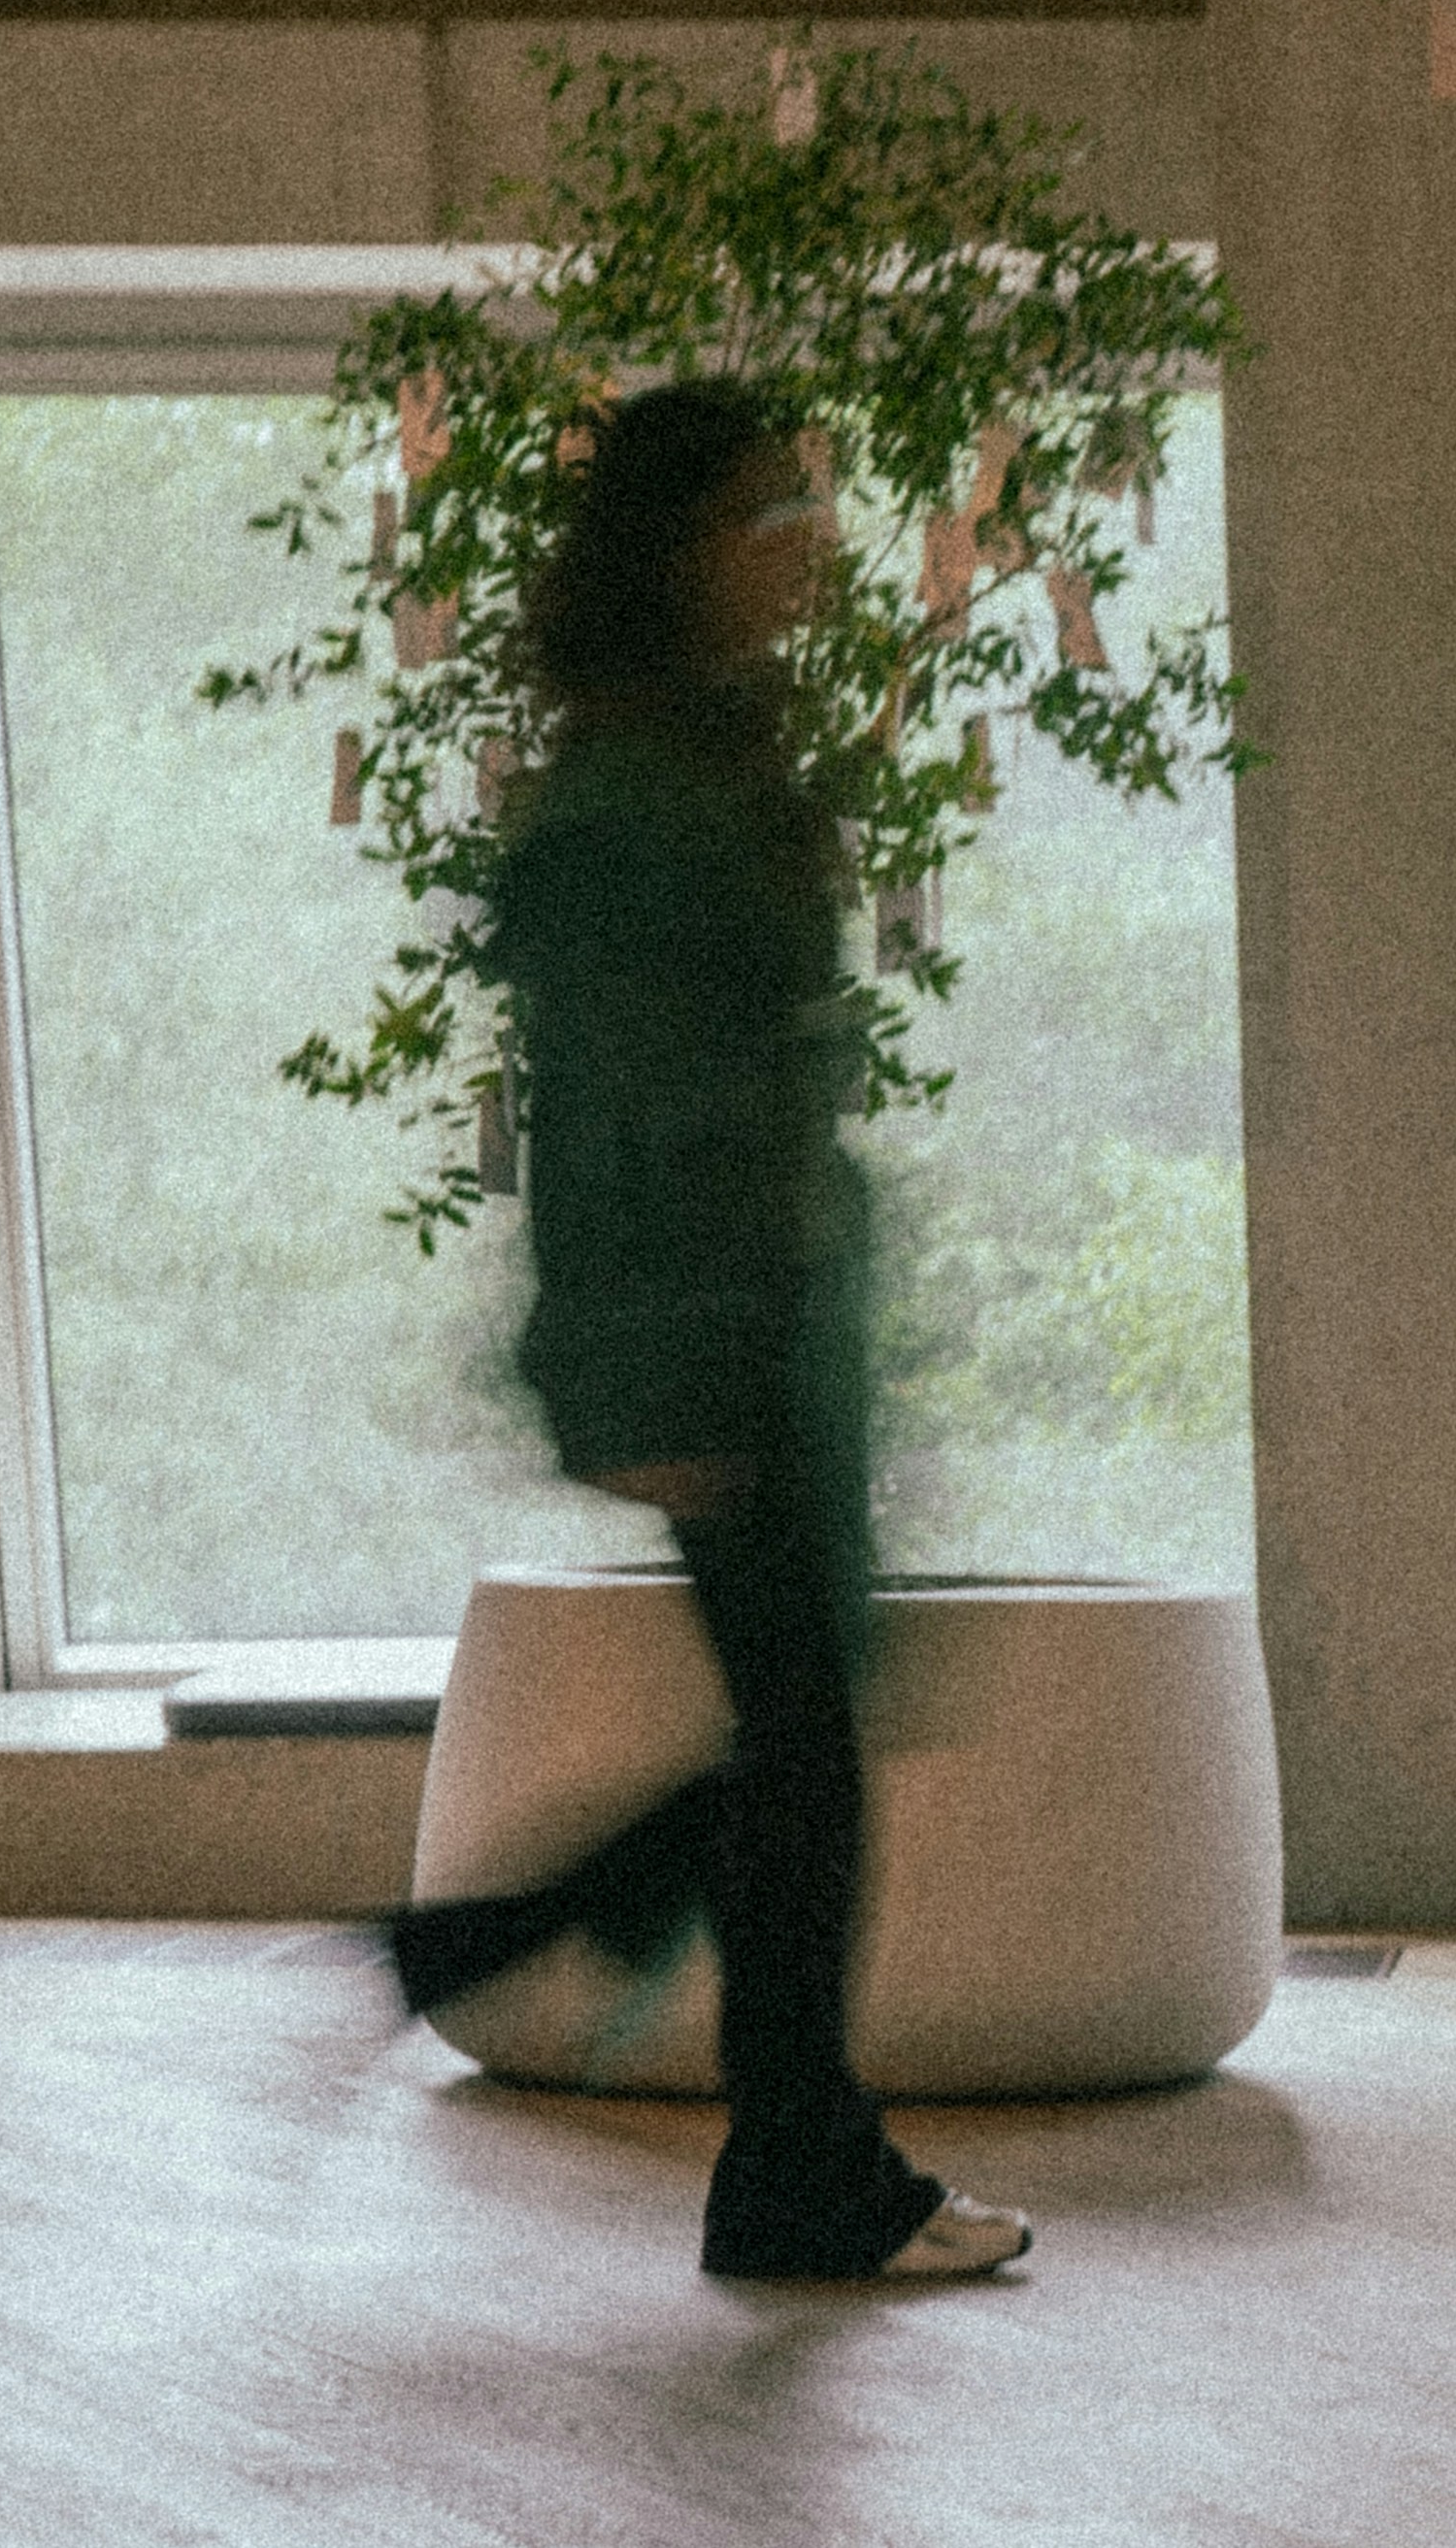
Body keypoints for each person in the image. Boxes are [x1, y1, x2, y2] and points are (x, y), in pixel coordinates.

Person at [381, 381, 1031, 2284]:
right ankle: (789, 2163)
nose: (812, 544)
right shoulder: (619, 807)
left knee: (806, 1744)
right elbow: (600, 1121)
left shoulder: (705, 754)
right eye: (771, 514)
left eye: (809, 505)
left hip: (770, 1322)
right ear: (679, 551)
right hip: (713, 1344)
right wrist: (643, 1376)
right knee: (807, 1756)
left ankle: (694, 2088)